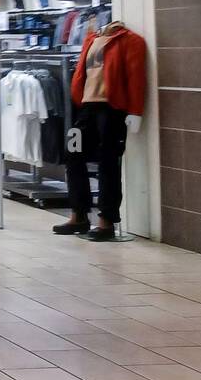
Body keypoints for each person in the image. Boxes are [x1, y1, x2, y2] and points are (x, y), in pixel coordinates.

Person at [53, 21, 147, 240]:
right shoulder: (92, 39)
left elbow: (136, 78)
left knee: (108, 162)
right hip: (86, 108)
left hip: (111, 109)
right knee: (72, 153)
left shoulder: (131, 41)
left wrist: (135, 111)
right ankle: (79, 214)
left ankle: (107, 220)